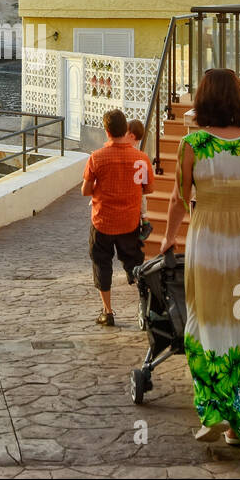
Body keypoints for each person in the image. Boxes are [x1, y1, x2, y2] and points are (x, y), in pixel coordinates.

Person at [158, 68, 240, 454]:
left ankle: (214, 412)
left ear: (203, 100)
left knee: (203, 327)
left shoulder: (193, 144)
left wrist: (167, 239)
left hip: (206, 242)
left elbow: (177, 199)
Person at [81, 109, 153, 327]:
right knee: (135, 265)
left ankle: (108, 311)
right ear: (126, 130)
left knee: (102, 264)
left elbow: (86, 190)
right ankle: (145, 308)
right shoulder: (141, 159)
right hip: (129, 221)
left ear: (107, 131)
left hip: (103, 221)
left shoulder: (97, 158)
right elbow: (147, 188)